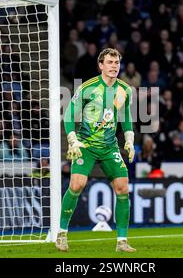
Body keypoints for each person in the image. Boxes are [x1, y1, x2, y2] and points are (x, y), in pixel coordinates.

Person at [57, 48, 135, 253]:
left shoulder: (124, 90)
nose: (114, 66)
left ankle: (122, 241)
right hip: (87, 145)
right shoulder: (88, 88)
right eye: (110, 62)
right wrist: (72, 139)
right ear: (101, 65)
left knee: (123, 188)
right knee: (76, 185)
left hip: (109, 147)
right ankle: (62, 233)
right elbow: (69, 116)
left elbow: (126, 118)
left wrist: (129, 140)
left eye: (117, 62)